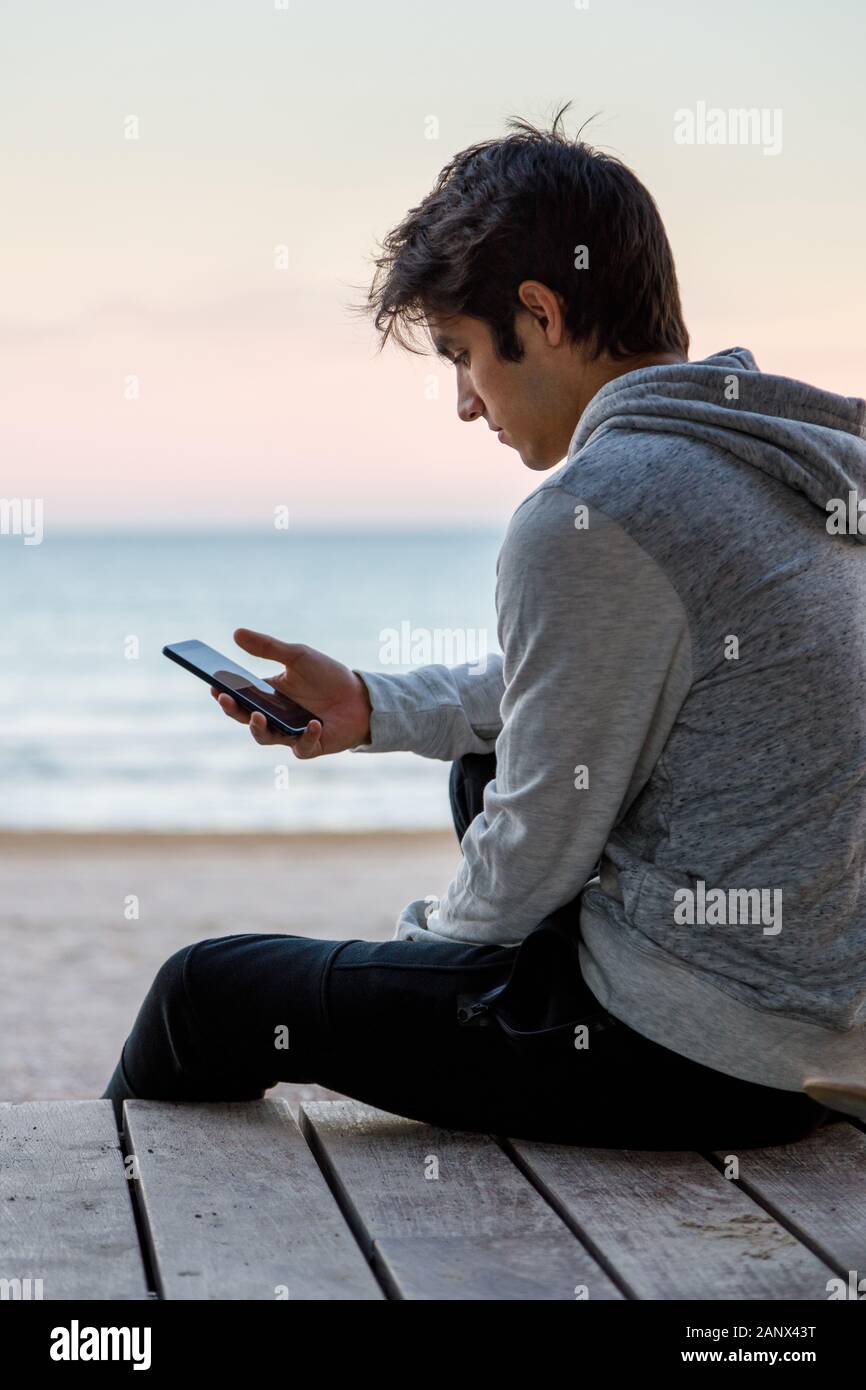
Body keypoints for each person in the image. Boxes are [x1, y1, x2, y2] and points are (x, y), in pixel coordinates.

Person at [103, 103, 866, 1148]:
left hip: (701, 1053)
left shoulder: (595, 511)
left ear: (541, 315)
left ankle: (118, 1240)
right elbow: (593, 680)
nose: (467, 403)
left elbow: (528, 857)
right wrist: (374, 706)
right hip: (831, 1024)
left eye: (464, 354)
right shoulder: (780, 460)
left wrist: (419, 963)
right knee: (476, 767)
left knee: (201, 991)